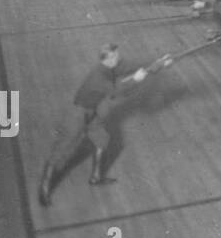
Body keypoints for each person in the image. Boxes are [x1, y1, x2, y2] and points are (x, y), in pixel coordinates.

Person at [37, 43, 170, 205]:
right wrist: (136, 80)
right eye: (116, 56)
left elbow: (131, 67)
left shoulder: (110, 68)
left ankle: (96, 177)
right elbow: (116, 91)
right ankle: (43, 191)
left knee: (102, 139)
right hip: (77, 114)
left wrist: (159, 63)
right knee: (62, 150)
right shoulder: (98, 77)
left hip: (92, 112)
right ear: (109, 58)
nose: (119, 58)